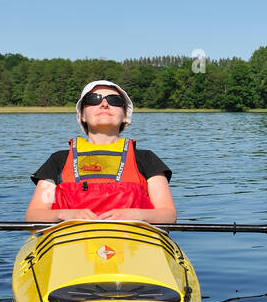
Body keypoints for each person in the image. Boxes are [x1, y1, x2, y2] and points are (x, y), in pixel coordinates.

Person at [25, 81, 177, 223]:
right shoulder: (59, 160)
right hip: (70, 241)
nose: (104, 104)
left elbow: (168, 215)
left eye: (114, 101)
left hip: (134, 242)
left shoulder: (146, 159)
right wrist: (66, 215)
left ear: (125, 116)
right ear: (82, 115)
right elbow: (34, 216)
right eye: (93, 99)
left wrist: (134, 215)